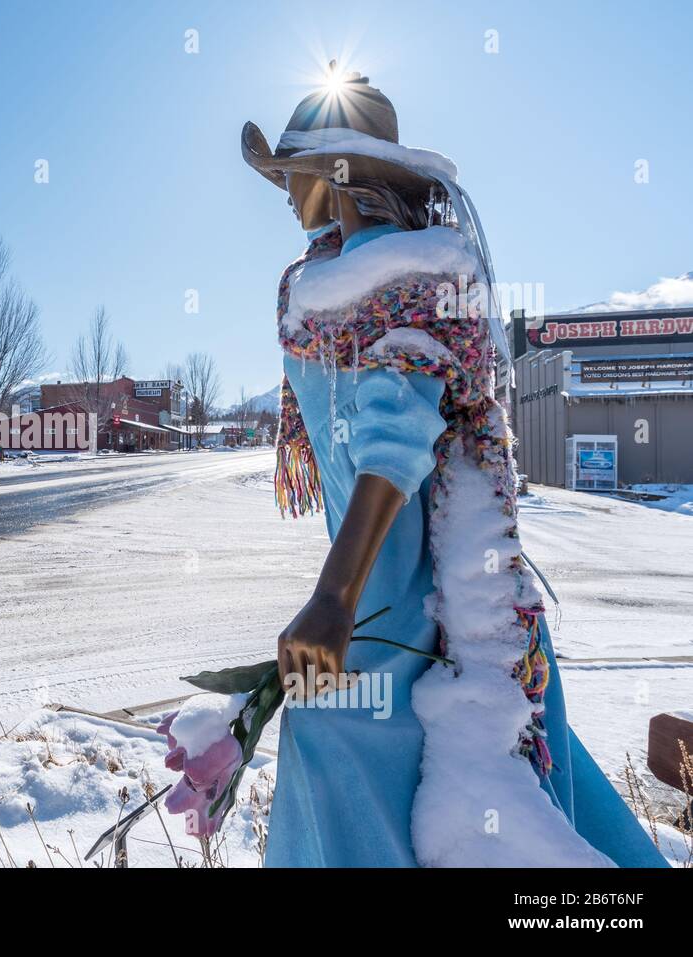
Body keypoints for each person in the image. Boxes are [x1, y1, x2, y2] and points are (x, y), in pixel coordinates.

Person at [240, 70, 666, 867]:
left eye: (290, 172)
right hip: (383, 609)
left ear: (336, 176)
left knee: (343, 753)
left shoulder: (408, 282)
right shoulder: (318, 290)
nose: (282, 190)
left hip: (423, 626)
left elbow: (392, 444)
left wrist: (333, 597)